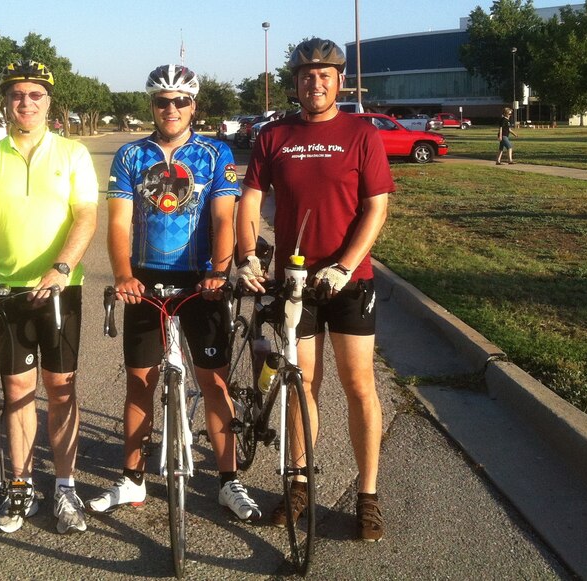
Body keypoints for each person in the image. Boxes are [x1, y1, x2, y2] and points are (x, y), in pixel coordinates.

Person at [236, 37, 394, 541]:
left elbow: (376, 206)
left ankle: (367, 496)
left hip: (349, 283)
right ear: (296, 83)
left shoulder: (361, 133)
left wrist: (346, 266)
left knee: (359, 384)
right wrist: (244, 256)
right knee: (301, 384)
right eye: (307, 75)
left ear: (339, 81)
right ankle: (299, 483)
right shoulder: (274, 135)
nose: (316, 82)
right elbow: (250, 200)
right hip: (295, 282)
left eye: (325, 74)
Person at [88, 64, 262, 522]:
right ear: (152, 106)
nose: (171, 108)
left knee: (214, 381)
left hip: (202, 280)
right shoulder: (130, 155)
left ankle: (228, 482)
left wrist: (219, 271)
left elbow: (225, 219)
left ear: (193, 106)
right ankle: (132, 479)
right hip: (143, 280)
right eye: (162, 101)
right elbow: (119, 223)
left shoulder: (214, 153)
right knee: (140, 382)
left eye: (180, 101)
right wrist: (124, 274)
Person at [0, 59, 99, 535]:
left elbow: (86, 217)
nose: (26, 102)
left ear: (49, 102)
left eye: (35, 94)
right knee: (16, 391)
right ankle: (20, 485)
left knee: (61, 389)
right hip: (8, 293)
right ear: (6, 102)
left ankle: (67, 486)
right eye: (17, 95)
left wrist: (60, 269)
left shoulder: (73, 154)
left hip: (59, 292)